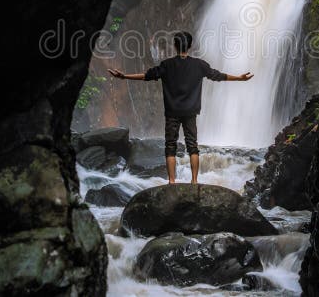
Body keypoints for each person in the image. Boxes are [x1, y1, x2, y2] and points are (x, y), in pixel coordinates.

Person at [107, 31, 253, 184]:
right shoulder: (199, 65)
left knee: (170, 146)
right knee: (192, 145)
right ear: (190, 46)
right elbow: (217, 75)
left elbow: (147, 76)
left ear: (175, 46)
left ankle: (171, 181)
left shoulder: (167, 65)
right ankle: (194, 181)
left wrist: (124, 76)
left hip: (172, 112)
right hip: (190, 112)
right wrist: (239, 78)